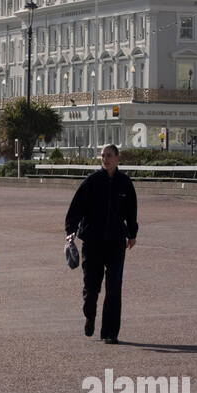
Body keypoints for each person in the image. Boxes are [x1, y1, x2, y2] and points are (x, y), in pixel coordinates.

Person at [64, 143, 138, 344]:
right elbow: (76, 208)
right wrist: (70, 231)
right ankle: (90, 316)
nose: (105, 159)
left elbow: (131, 211)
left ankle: (110, 332)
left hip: (116, 242)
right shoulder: (92, 182)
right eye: (103, 155)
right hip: (92, 241)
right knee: (91, 287)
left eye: (109, 155)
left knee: (114, 287)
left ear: (117, 158)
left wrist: (132, 233)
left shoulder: (125, 183)